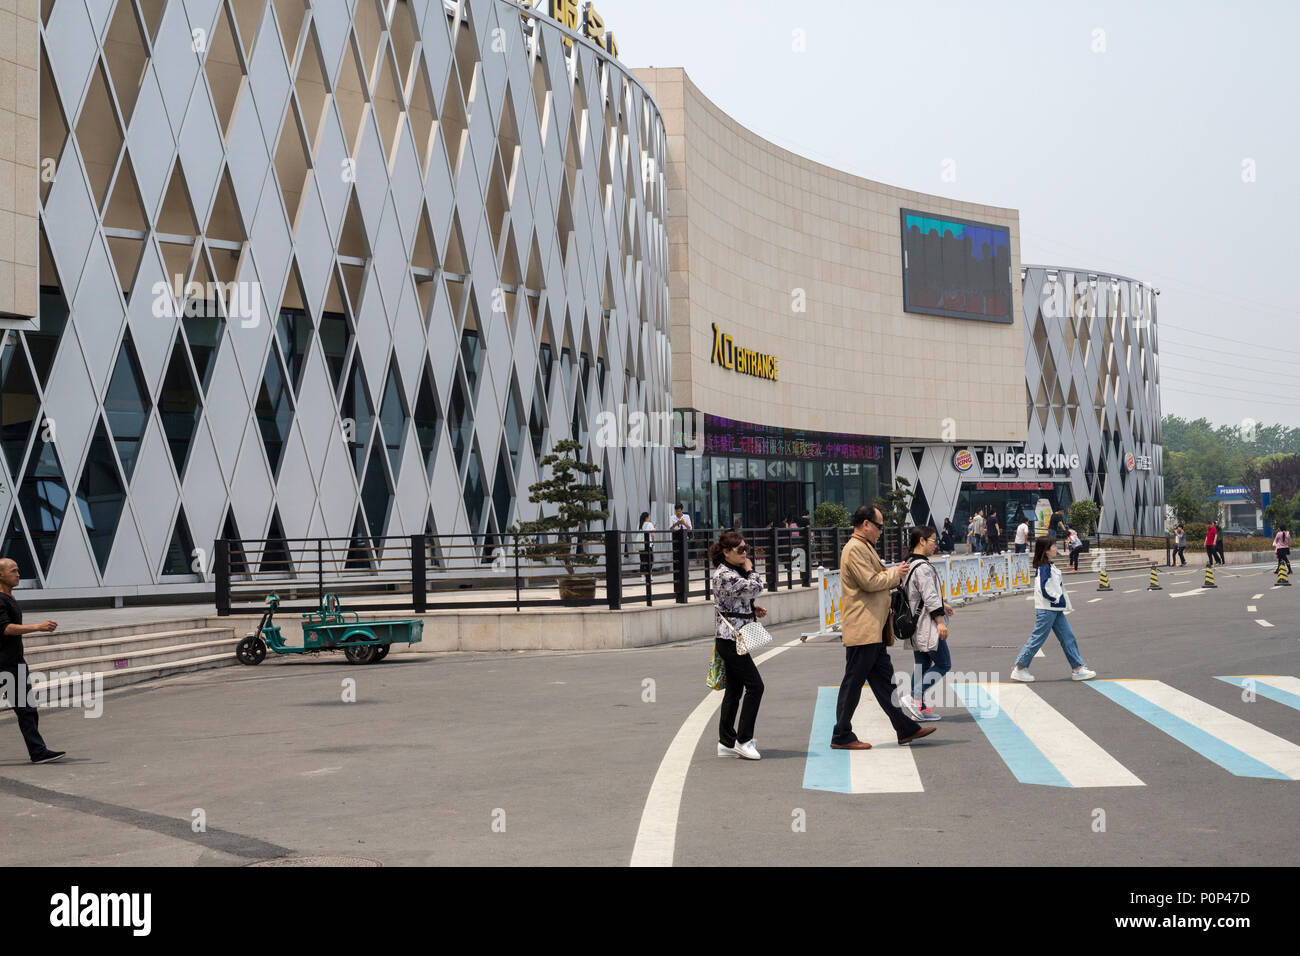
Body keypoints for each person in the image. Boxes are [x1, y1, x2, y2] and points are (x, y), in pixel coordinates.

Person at [830, 505, 935, 750]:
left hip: (873, 628)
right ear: (865, 524)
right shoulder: (854, 548)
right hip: (863, 627)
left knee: (884, 683)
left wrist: (892, 573)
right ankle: (841, 734)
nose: (880, 531)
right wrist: (895, 574)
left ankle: (905, 728)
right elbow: (870, 582)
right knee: (853, 683)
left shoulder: (863, 546)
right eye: (878, 526)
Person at [0, 558, 65, 763]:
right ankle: (37, 751)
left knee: (27, 710)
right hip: (4, 665)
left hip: (14, 662)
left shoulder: (8, 597)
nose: (18, 574)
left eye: (18, 570)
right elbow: (6, 628)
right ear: (0, 575)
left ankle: (37, 751)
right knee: (26, 709)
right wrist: (38, 627)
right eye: (13, 571)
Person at [709, 531, 767, 760]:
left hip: (734, 637)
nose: (745, 553)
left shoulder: (732, 572)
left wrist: (752, 610)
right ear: (726, 552)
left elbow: (733, 600)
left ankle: (726, 742)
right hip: (730, 640)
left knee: (734, 690)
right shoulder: (724, 574)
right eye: (740, 550)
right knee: (756, 686)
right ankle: (744, 740)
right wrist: (752, 570)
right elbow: (755, 587)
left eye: (746, 548)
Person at [1010, 537, 1096, 683]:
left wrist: (1058, 601)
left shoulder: (1048, 566)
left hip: (1053, 609)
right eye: (1054, 546)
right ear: (1046, 550)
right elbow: (1043, 589)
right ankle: (1019, 668)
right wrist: (1057, 599)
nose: (1056, 548)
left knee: (1067, 637)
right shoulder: (1044, 567)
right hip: (1047, 609)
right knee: (1038, 638)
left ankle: (1077, 668)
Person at [901, 526, 954, 722]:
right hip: (926, 623)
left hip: (915, 623)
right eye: (933, 541)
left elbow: (918, 594)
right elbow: (929, 595)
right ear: (922, 541)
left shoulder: (909, 563)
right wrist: (940, 621)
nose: (935, 545)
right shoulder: (923, 567)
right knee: (943, 663)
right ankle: (915, 697)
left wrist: (943, 604)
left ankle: (919, 707)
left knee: (922, 663)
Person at [639, 511, 655, 576]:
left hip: (641, 544)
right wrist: (654, 529)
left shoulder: (639, 524)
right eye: (649, 517)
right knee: (650, 560)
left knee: (643, 560)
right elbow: (653, 534)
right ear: (646, 518)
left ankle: (642, 575)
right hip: (648, 545)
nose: (649, 518)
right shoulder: (649, 524)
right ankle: (648, 574)